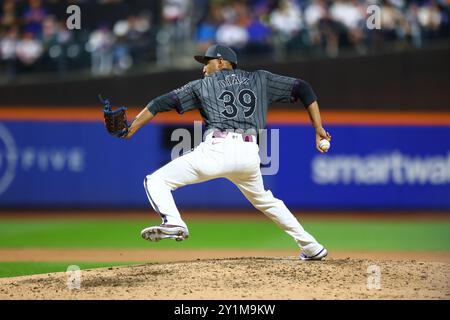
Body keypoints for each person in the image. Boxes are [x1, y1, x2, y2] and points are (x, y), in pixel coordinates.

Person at [125, 44, 331, 260]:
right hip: (250, 153)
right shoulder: (260, 79)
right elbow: (303, 88)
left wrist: (131, 129)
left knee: (156, 181)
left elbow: (159, 103)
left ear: (222, 62)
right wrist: (318, 128)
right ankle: (311, 247)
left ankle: (173, 221)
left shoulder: (201, 86)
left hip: (217, 149)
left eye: (208, 62)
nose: (204, 68)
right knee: (265, 200)